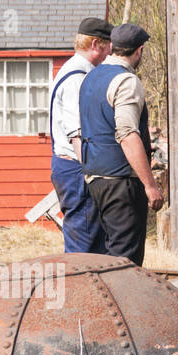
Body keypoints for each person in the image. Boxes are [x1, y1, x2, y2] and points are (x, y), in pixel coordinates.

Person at [80, 23, 164, 266]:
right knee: (126, 260)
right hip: (121, 182)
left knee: (104, 256)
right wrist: (149, 185)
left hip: (94, 178)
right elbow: (126, 135)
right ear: (138, 51)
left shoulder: (90, 78)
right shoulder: (126, 81)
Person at [49, 17, 113, 254]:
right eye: (109, 48)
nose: (110, 54)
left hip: (73, 167)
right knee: (82, 247)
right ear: (96, 44)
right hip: (77, 169)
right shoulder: (77, 78)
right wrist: (91, 173)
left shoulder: (77, 71)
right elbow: (77, 133)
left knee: (94, 242)